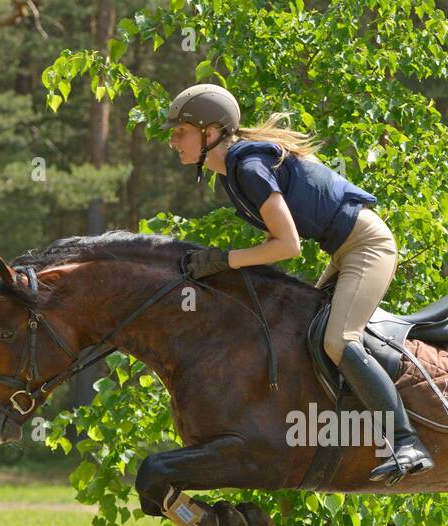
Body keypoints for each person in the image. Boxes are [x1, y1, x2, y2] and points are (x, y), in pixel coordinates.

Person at [163, 83, 433, 485]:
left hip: (367, 245)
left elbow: (287, 246)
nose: (173, 142)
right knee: (304, 333)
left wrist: (225, 261)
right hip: (344, 250)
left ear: (210, 132)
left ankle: (408, 442)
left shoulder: (247, 169)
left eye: (180, 132)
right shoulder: (233, 175)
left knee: (339, 341)